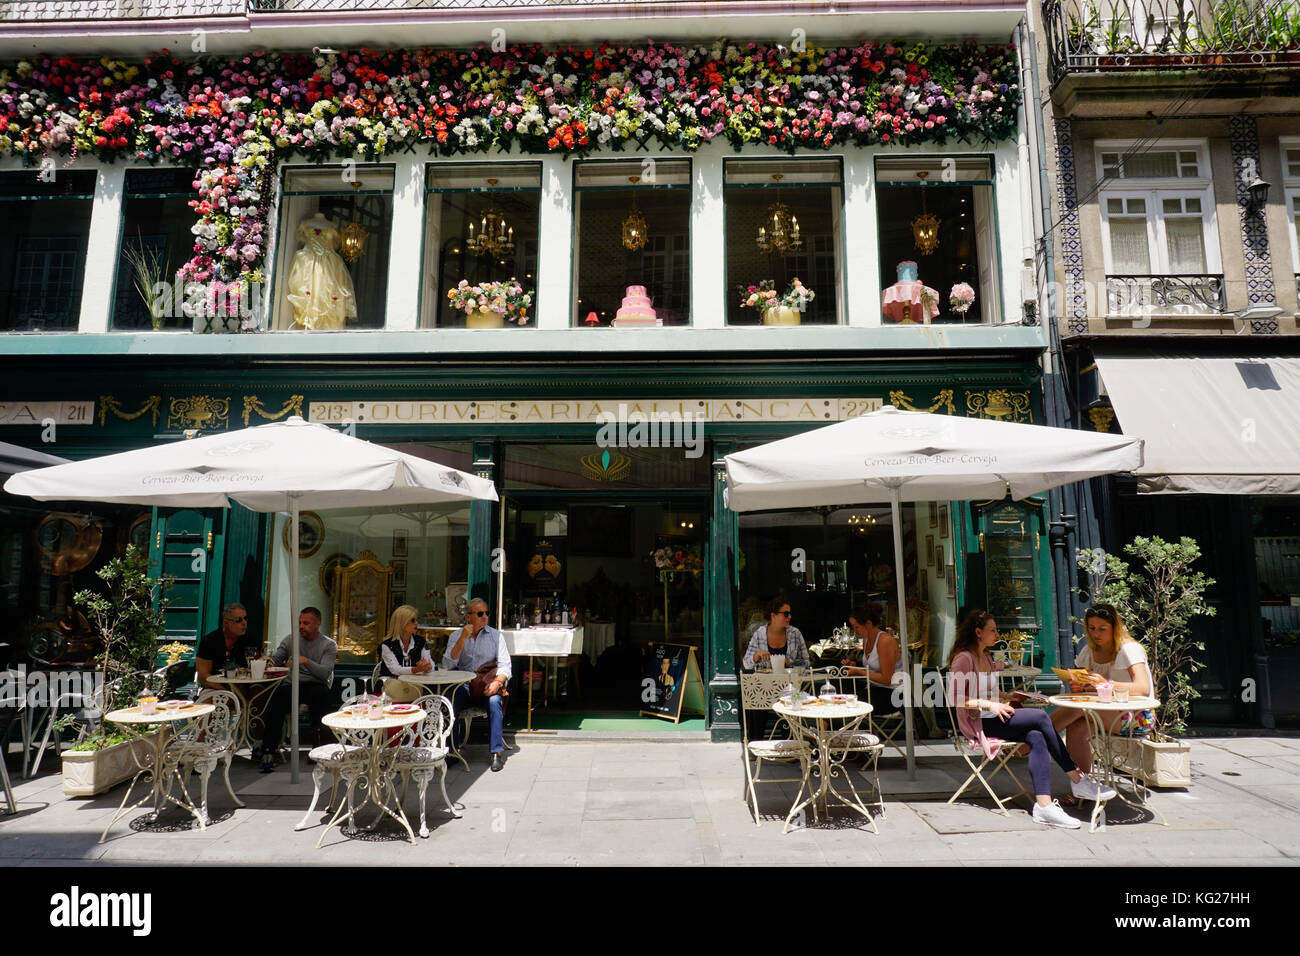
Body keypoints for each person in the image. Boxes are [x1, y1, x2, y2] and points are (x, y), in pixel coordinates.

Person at [948, 609, 1112, 828]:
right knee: (1041, 717)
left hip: (994, 716)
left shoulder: (986, 657)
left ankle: (1043, 807)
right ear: (978, 632)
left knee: (1037, 736)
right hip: (980, 723)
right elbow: (955, 698)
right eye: (992, 630)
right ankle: (1077, 779)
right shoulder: (964, 658)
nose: (997, 634)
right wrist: (990, 704)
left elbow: (986, 692)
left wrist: (1008, 697)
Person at [1051, 603, 1153, 778]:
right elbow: (1082, 693)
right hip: (1104, 712)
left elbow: (1143, 689)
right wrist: (1078, 686)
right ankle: (1082, 786)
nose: (1096, 634)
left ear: (1115, 628)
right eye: (1091, 628)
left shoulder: (1128, 649)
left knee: (1079, 708)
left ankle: (1027, 741)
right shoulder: (1089, 651)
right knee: (1076, 728)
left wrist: (1106, 683)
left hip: (1138, 717)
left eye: (1102, 629)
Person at [258, 607, 339, 772]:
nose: (301, 626)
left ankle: (319, 747)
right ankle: (268, 750)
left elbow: (325, 673)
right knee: (277, 699)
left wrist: (306, 661)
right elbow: (276, 659)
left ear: (317, 624)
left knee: (321, 697)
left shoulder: (328, 645)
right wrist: (265, 662)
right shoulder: (291, 640)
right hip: (292, 684)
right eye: (300, 623)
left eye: (306, 623)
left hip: (315, 684)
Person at [442, 597, 511, 772]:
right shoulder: (456, 636)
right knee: (451, 701)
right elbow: (447, 664)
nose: (485, 617)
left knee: (495, 702)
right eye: (480, 613)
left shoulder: (496, 636)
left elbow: (505, 665)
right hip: (464, 686)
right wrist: (463, 638)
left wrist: (497, 682)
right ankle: (452, 751)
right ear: (469, 617)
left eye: (486, 613)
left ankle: (496, 752)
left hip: (486, 685)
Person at [841, 601, 901, 715]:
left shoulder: (884, 641)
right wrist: (854, 666)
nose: (855, 631)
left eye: (856, 627)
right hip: (874, 688)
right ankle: (827, 726)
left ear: (868, 623)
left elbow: (886, 679)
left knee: (850, 704)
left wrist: (859, 672)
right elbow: (871, 669)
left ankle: (827, 727)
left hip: (893, 694)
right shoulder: (866, 640)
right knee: (842, 694)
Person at [379, 605, 433, 703]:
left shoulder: (420, 641)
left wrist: (427, 666)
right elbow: (395, 669)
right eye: (412, 620)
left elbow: (431, 663)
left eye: (417, 620)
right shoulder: (387, 645)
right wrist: (416, 669)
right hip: (393, 690)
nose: (416, 623)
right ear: (401, 623)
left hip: (415, 688)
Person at [741, 596, 808, 670]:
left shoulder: (795, 633)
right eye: (786, 614)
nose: (789, 616)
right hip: (764, 680)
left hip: (790, 680)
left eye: (790, 613)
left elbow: (806, 662)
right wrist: (756, 656)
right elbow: (746, 664)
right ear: (773, 615)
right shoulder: (759, 634)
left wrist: (789, 662)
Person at [196, 603, 253, 689]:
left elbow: (256, 669)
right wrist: (226, 691)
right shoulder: (210, 641)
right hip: (215, 688)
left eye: (245, 618)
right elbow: (203, 677)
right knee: (208, 700)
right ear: (226, 622)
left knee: (258, 691)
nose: (244, 623)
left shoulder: (250, 641)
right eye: (238, 620)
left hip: (243, 687)